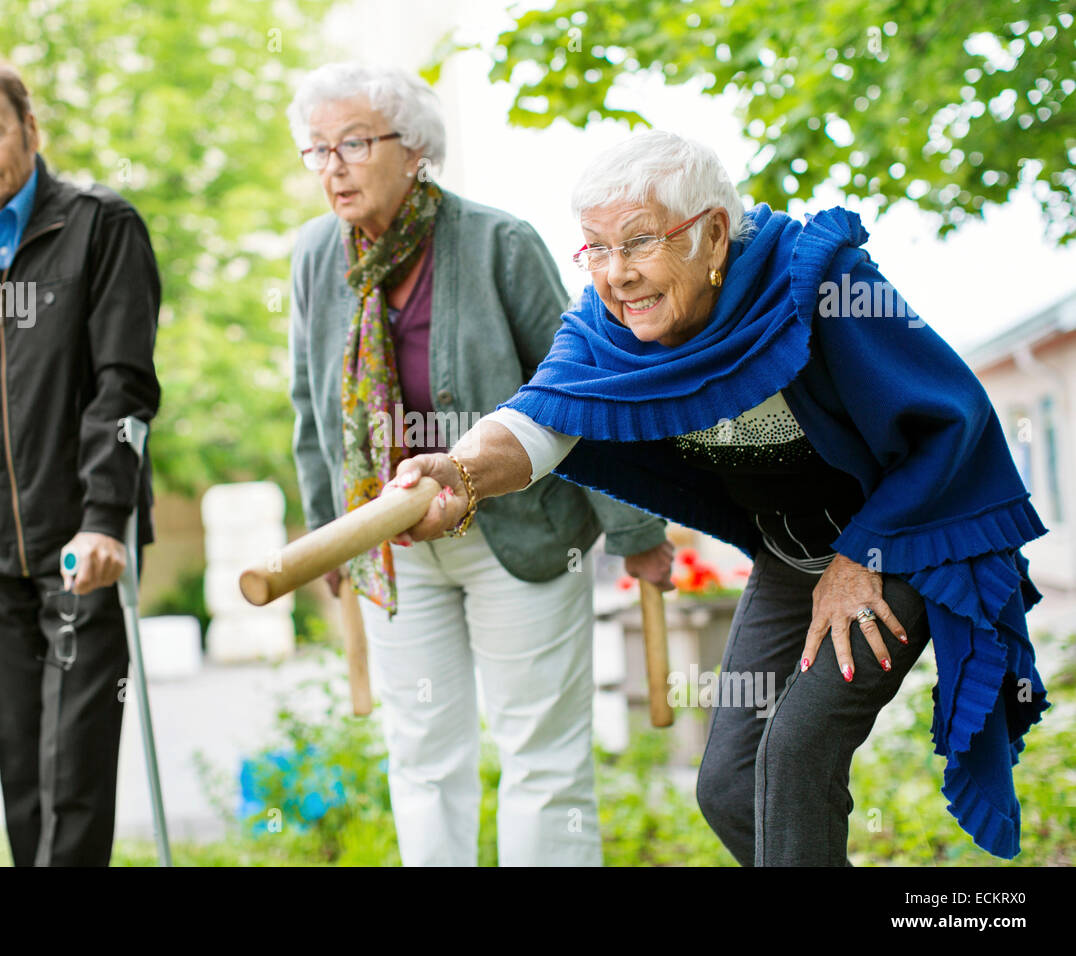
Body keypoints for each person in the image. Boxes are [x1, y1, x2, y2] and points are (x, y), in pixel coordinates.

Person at [390, 129, 1049, 866]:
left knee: (796, 754)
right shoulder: (607, 331)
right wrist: (459, 471)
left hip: (899, 543)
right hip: (790, 557)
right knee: (730, 788)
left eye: (638, 243)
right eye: (596, 249)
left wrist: (862, 554)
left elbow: (952, 423)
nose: (616, 275)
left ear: (712, 234)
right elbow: (538, 419)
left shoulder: (818, 285)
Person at [285, 63, 674, 866]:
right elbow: (309, 403)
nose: (333, 166)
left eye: (353, 143)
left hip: (523, 531)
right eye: (317, 150)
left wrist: (635, 528)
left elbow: (580, 386)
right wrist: (331, 527)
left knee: (542, 756)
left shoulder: (498, 242)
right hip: (390, 540)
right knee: (423, 758)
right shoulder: (315, 258)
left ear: (415, 147)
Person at [0, 61, 161, 866]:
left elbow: (123, 386)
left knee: (74, 772)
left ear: (29, 129)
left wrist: (103, 517)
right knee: (24, 771)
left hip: (80, 545)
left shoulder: (100, 226)